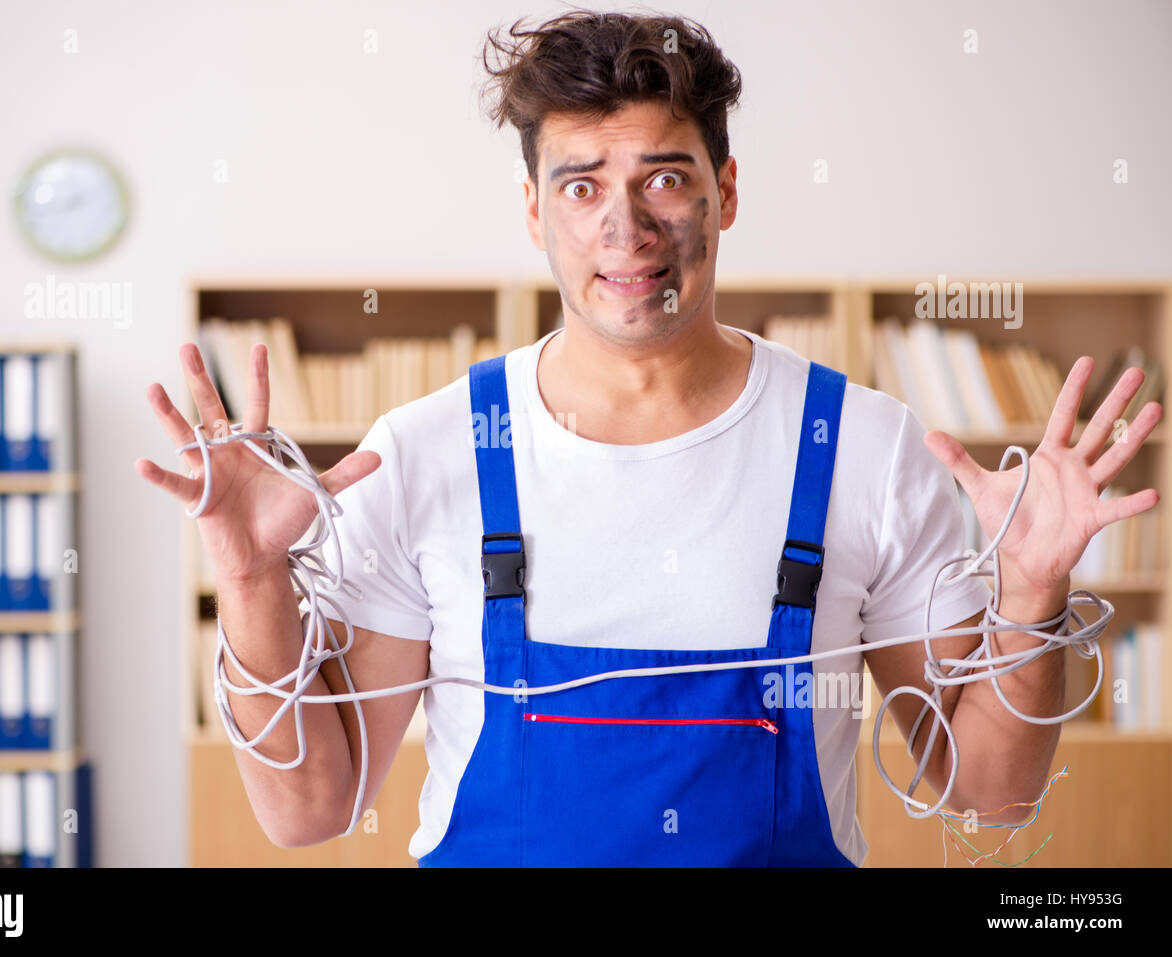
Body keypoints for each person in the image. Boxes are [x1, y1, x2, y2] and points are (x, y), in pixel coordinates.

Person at [136, 10, 1161, 866]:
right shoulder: (430, 452)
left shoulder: (860, 447)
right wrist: (253, 579)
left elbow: (988, 795)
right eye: (581, 186)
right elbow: (307, 810)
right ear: (535, 213)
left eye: (665, 179)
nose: (625, 230)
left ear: (726, 190)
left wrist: (1028, 597)